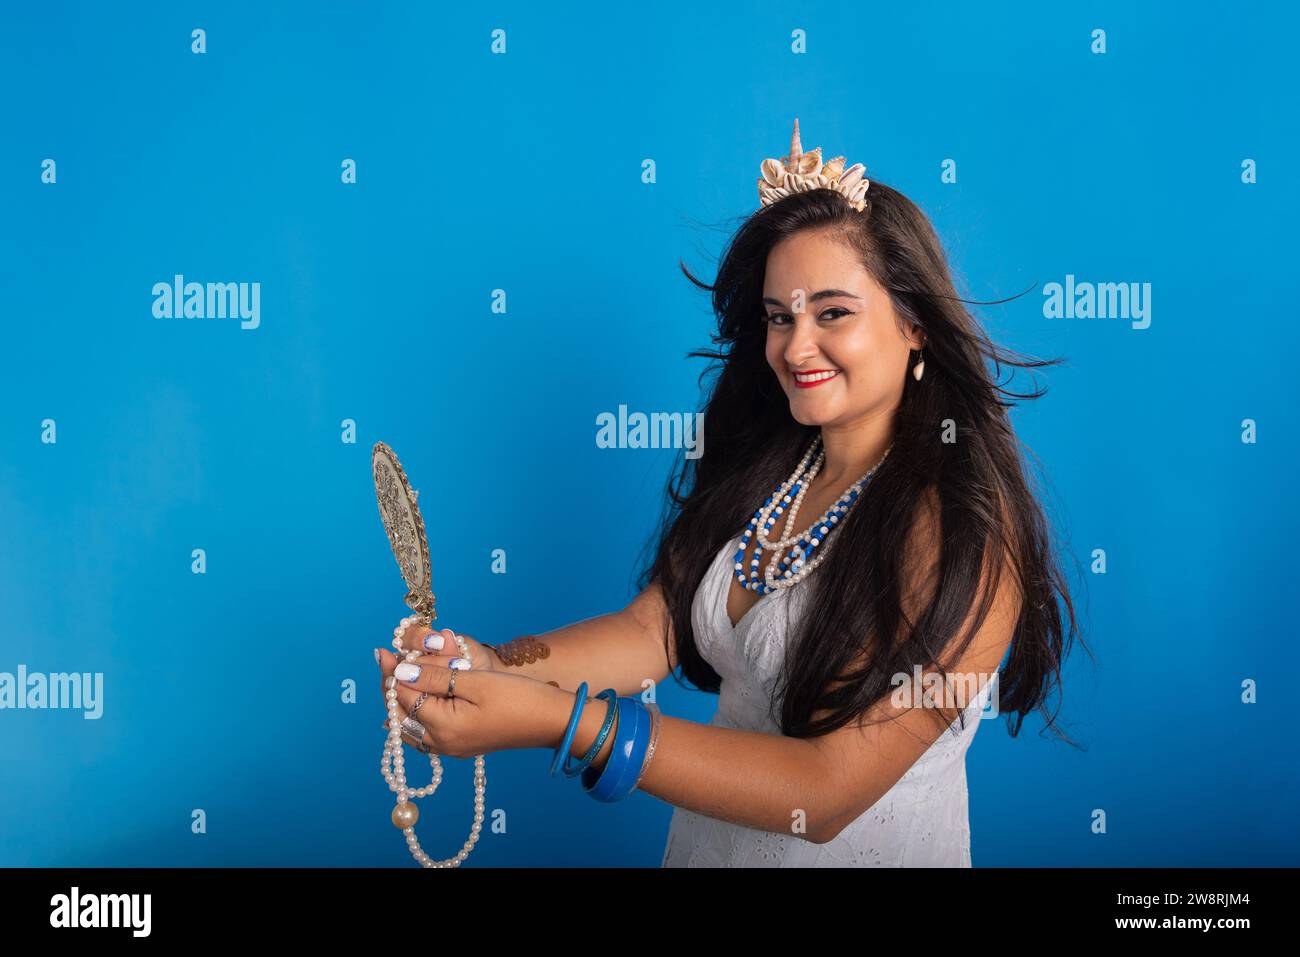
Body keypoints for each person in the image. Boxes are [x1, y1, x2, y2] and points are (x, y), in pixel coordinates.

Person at [376, 118, 1084, 867]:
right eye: (780, 317)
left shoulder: (964, 525)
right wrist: (490, 664)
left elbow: (828, 790)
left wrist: (565, 721)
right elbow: (654, 632)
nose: (795, 345)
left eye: (832, 313)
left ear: (915, 325)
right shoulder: (769, 467)